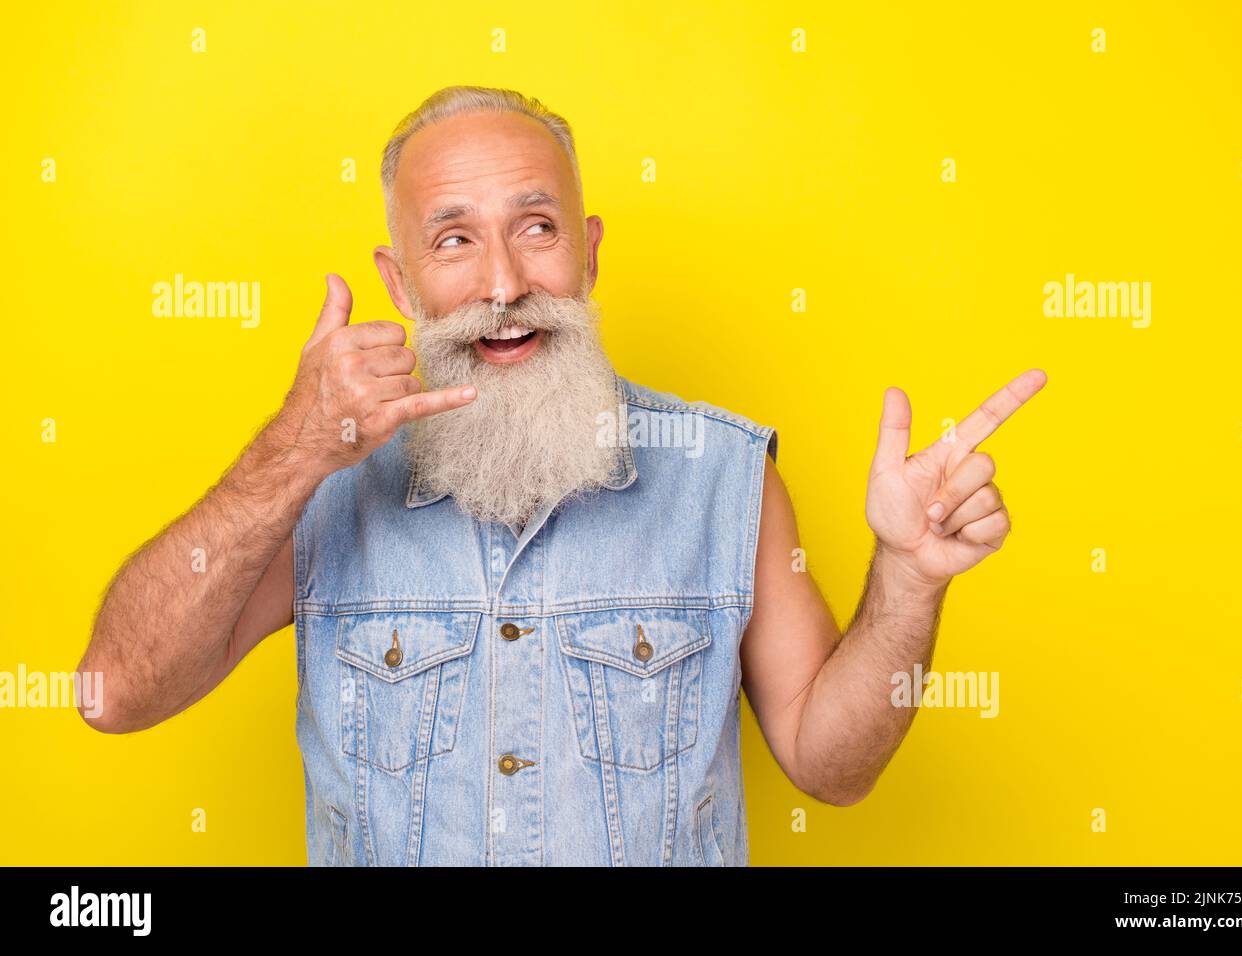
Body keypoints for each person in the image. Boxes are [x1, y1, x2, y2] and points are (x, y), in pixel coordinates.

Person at [77, 85, 1046, 866]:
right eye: (453, 239)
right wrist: (290, 449)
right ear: (399, 282)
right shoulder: (323, 487)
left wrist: (909, 578)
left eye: (535, 227)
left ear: (587, 252)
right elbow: (114, 691)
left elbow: (829, 762)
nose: (502, 284)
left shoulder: (723, 476)